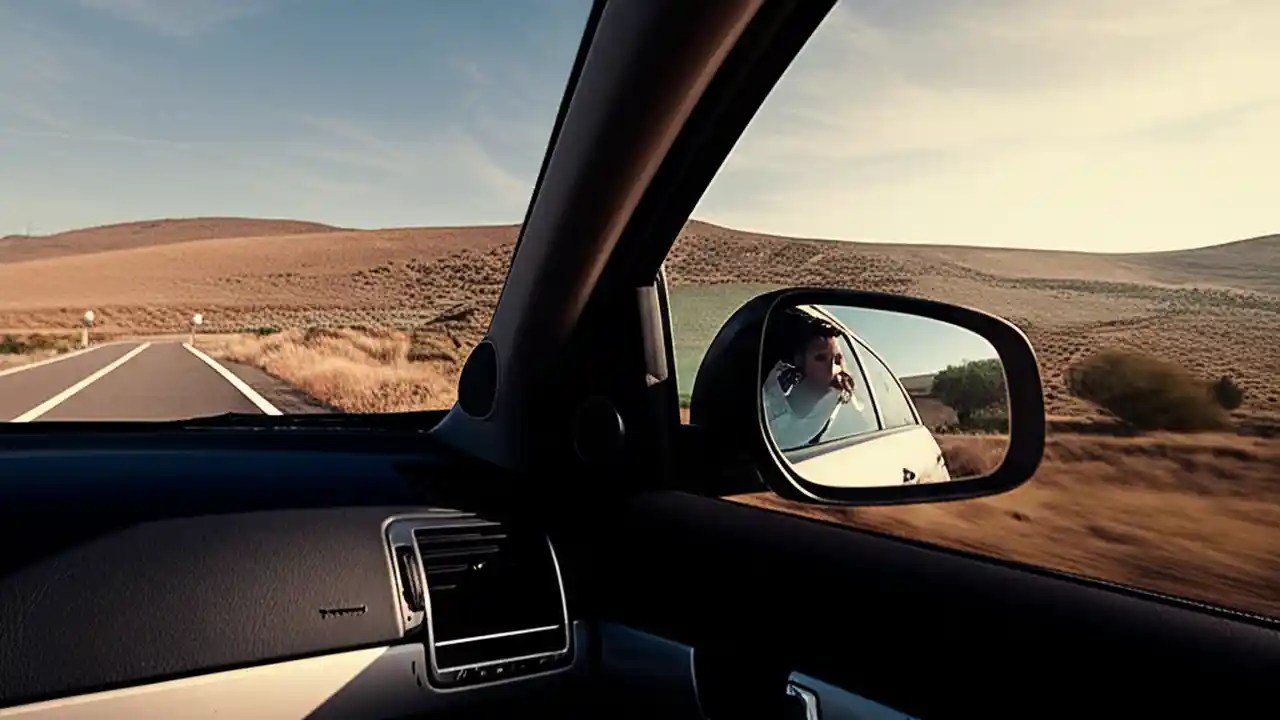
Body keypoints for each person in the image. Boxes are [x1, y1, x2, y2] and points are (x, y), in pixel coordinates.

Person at [762, 310, 861, 450]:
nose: (832, 370)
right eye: (820, 358)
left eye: (838, 360)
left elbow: (783, 437)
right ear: (800, 361)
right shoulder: (783, 383)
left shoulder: (837, 396)